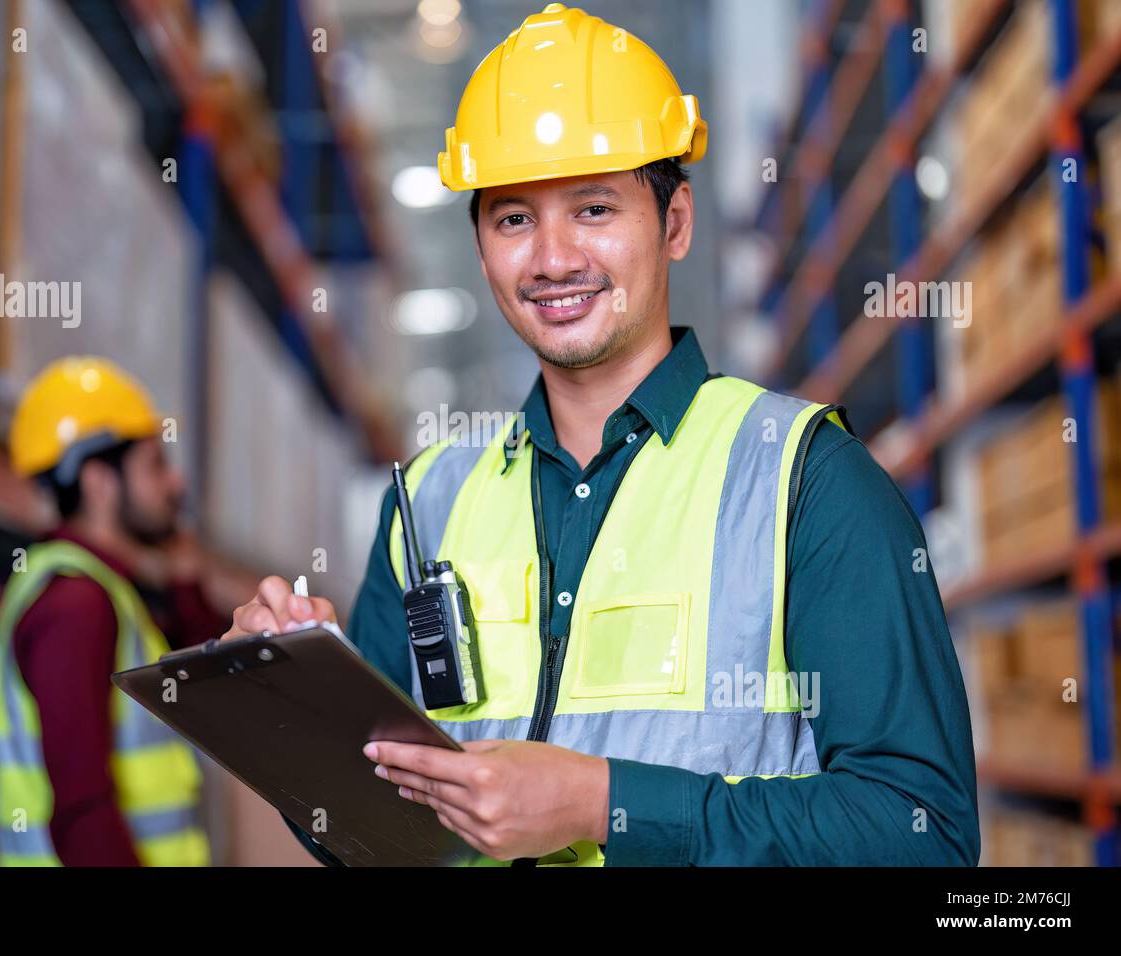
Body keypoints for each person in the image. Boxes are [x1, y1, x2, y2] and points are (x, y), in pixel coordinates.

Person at [226, 2, 979, 867]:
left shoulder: (806, 483)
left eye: (592, 209)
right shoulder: (427, 502)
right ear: (480, 246)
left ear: (676, 222)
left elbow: (924, 834)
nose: (552, 259)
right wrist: (294, 707)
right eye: (514, 218)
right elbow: (379, 839)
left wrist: (605, 803)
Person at [0, 357, 224, 865]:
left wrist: (185, 577)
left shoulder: (106, 592)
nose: (176, 483)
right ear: (100, 482)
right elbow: (82, 808)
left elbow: (216, 688)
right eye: (155, 465)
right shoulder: (77, 605)